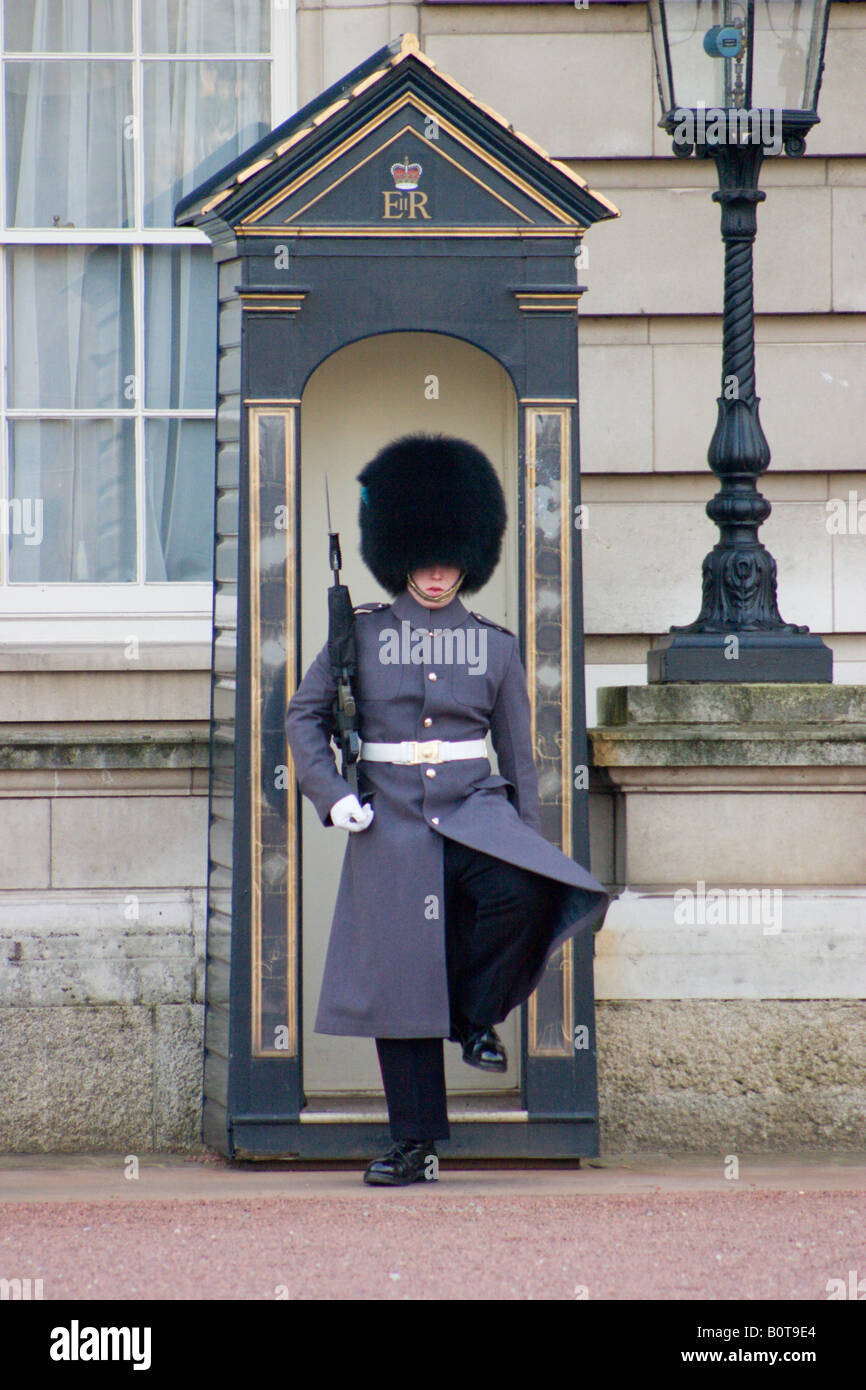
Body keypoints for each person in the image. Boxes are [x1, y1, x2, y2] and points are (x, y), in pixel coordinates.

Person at [285, 432, 609, 1186]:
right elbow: (304, 718)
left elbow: (518, 751)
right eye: (424, 560)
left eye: (448, 560)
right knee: (400, 982)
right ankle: (416, 1143)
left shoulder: (494, 648)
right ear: (402, 556)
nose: (435, 575)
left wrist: (525, 835)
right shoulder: (358, 636)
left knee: (526, 893)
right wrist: (334, 800)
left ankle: (469, 1013)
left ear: (469, 558)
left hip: (475, 808)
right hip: (390, 818)